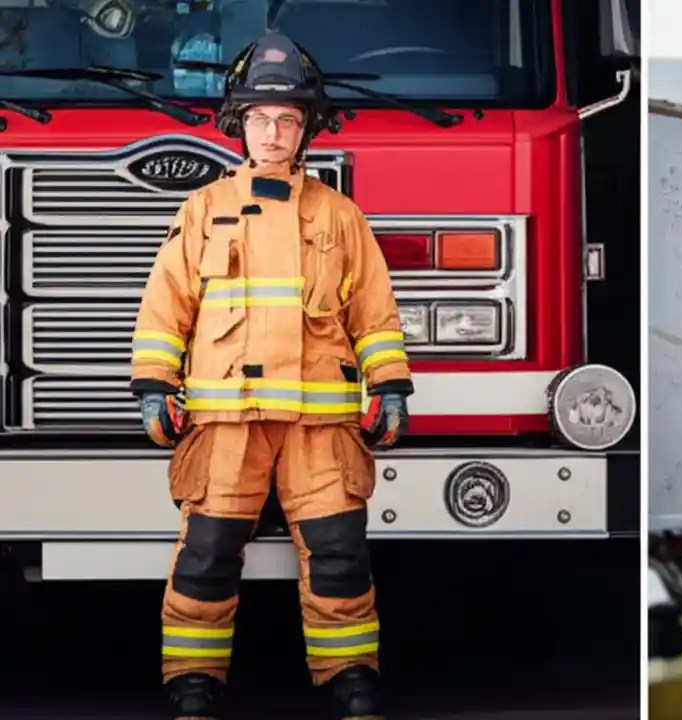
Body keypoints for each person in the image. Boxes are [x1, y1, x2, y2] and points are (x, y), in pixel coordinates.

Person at [129, 31, 412, 720]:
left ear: (305, 128)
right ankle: (192, 680)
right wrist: (154, 386)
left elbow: (374, 312)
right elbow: (165, 307)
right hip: (226, 421)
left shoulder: (340, 217)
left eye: (287, 119)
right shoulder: (201, 211)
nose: (274, 131)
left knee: (340, 555)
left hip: (321, 427)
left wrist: (391, 386)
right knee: (208, 556)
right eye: (260, 118)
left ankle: (350, 677)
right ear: (239, 126)